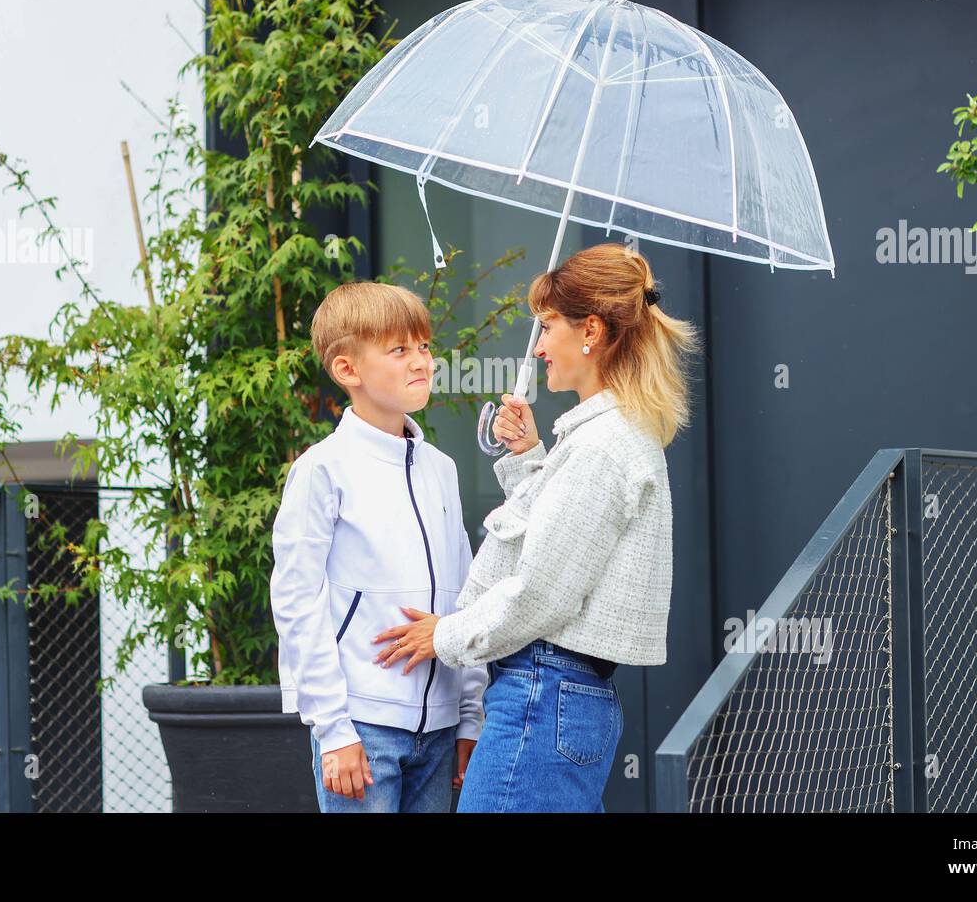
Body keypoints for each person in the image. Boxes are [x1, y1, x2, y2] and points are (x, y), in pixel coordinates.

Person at [372, 242, 700, 812]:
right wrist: (528, 457)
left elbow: (544, 594)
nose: (541, 345)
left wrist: (444, 636)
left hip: (541, 696)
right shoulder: (612, 434)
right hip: (561, 698)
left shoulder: (602, 445)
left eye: (548, 326)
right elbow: (566, 540)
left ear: (591, 331)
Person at [269, 280, 487, 812]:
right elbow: (297, 601)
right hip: (361, 728)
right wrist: (333, 728)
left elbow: (468, 592)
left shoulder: (442, 469)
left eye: (425, 347)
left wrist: (469, 714)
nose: (421, 361)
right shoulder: (322, 469)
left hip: (439, 729)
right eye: (399, 350)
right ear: (348, 370)